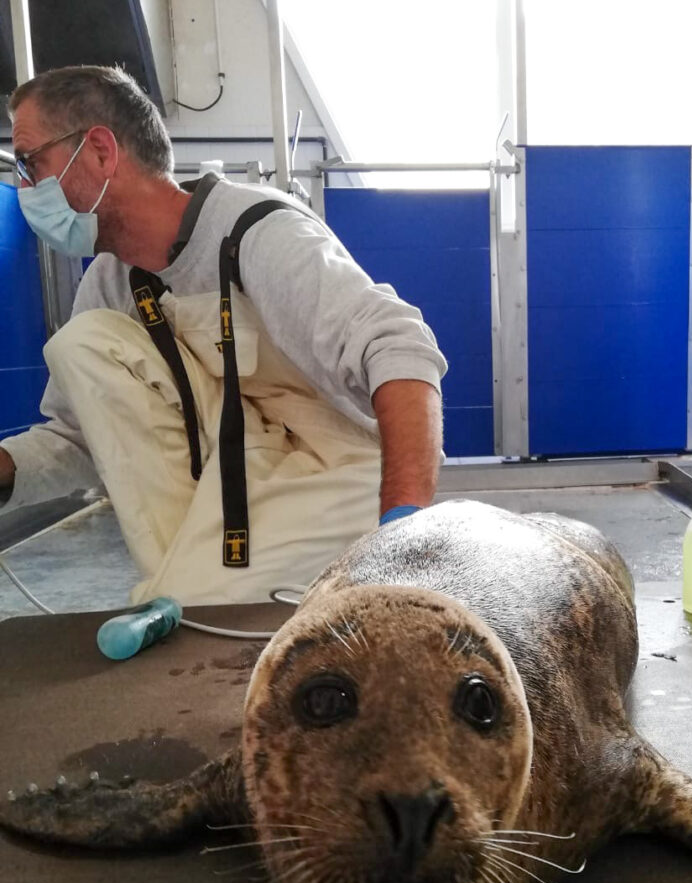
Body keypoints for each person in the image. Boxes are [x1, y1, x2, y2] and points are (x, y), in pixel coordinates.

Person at [0, 65, 447, 606]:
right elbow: (78, 436)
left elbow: (399, 348)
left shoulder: (257, 232)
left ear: (99, 150)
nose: (21, 188)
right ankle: (190, 585)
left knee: (186, 607)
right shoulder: (110, 279)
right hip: (232, 474)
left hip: (339, 469)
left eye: (29, 163)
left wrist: (403, 529)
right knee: (86, 343)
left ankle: (198, 593)